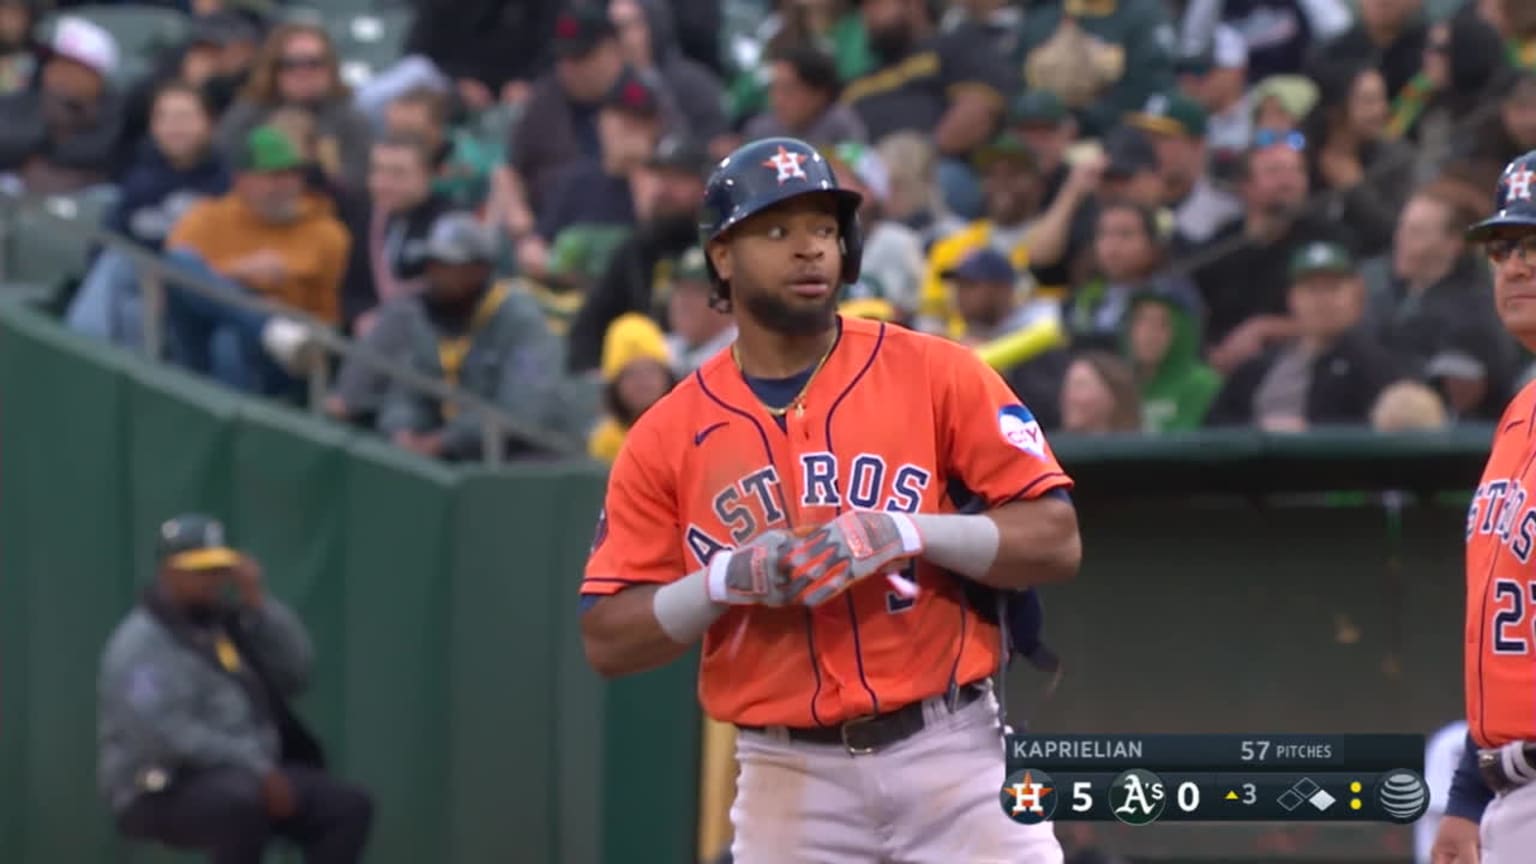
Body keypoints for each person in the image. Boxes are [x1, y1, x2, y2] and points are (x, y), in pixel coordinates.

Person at [578, 137, 1079, 863]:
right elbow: (607, 639)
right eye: (777, 230)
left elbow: (1057, 538)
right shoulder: (664, 435)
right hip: (788, 779)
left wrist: (909, 531)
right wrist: (722, 581)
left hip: (953, 751)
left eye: (823, 227)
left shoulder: (937, 371)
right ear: (722, 256)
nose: (809, 248)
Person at [98, 514, 373, 864]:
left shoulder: (225, 628)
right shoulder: (140, 646)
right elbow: (157, 734)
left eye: (218, 569)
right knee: (242, 804)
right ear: (169, 573)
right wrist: (256, 767)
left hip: (244, 774)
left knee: (347, 807)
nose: (212, 580)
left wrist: (259, 604)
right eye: (200, 571)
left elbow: (296, 673)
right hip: (159, 786)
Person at [1432, 148, 1536, 863]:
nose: (1516, 266)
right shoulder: (1520, 411)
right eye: (1503, 248)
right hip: (1509, 787)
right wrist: (1469, 798)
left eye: (1535, 246)